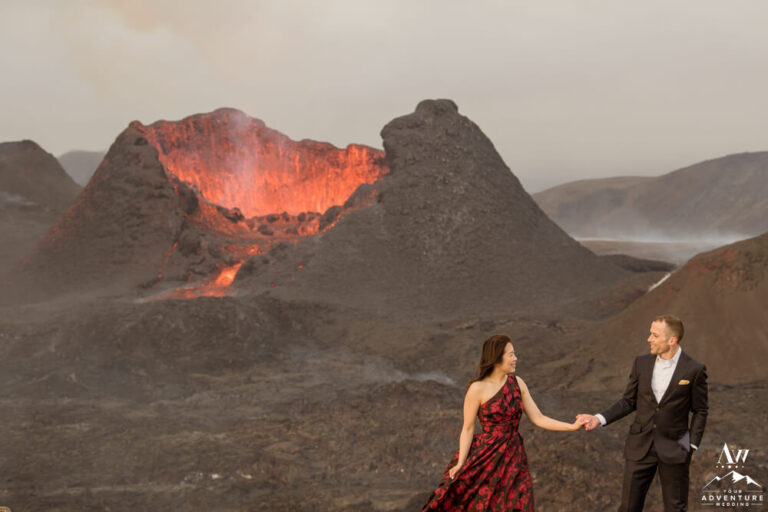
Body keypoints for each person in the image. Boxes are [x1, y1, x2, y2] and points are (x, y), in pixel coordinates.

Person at [421, 334, 587, 511]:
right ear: (496, 357)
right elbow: (468, 428)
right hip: (486, 456)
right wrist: (461, 462)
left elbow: (539, 418)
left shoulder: (518, 384)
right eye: (511, 355)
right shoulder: (477, 389)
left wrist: (571, 426)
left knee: (517, 503)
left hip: (514, 456)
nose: (516, 359)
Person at [577, 315, 708, 512]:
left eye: (655, 335)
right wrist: (598, 418)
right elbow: (628, 401)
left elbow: (700, 410)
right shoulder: (641, 363)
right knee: (629, 507)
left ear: (672, 340)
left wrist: (692, 444)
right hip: (639, 446)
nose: (649, 339)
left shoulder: (694, 369)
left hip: (676, 448)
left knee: (676, 508)